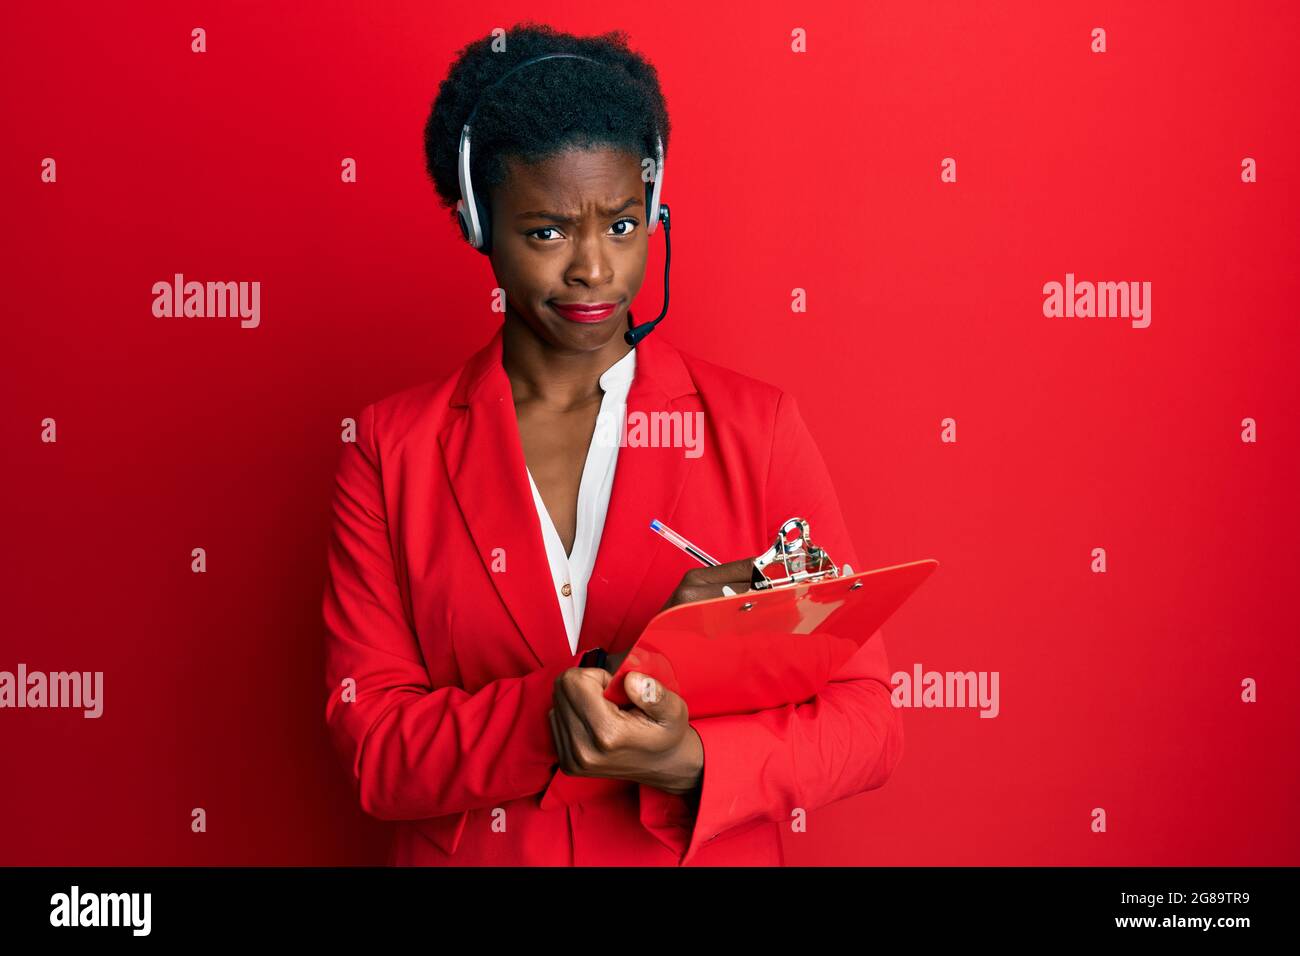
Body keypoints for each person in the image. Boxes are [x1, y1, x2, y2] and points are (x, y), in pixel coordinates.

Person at [321, 22, 903, 866]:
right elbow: (373, 749)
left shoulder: (757, 426)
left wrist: (692, 761)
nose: (595, 268)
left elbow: (868, 720)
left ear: (654, 207)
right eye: (548, 232)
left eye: (624, 225)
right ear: (478, 225)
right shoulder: (389, 449)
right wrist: (549, 714)